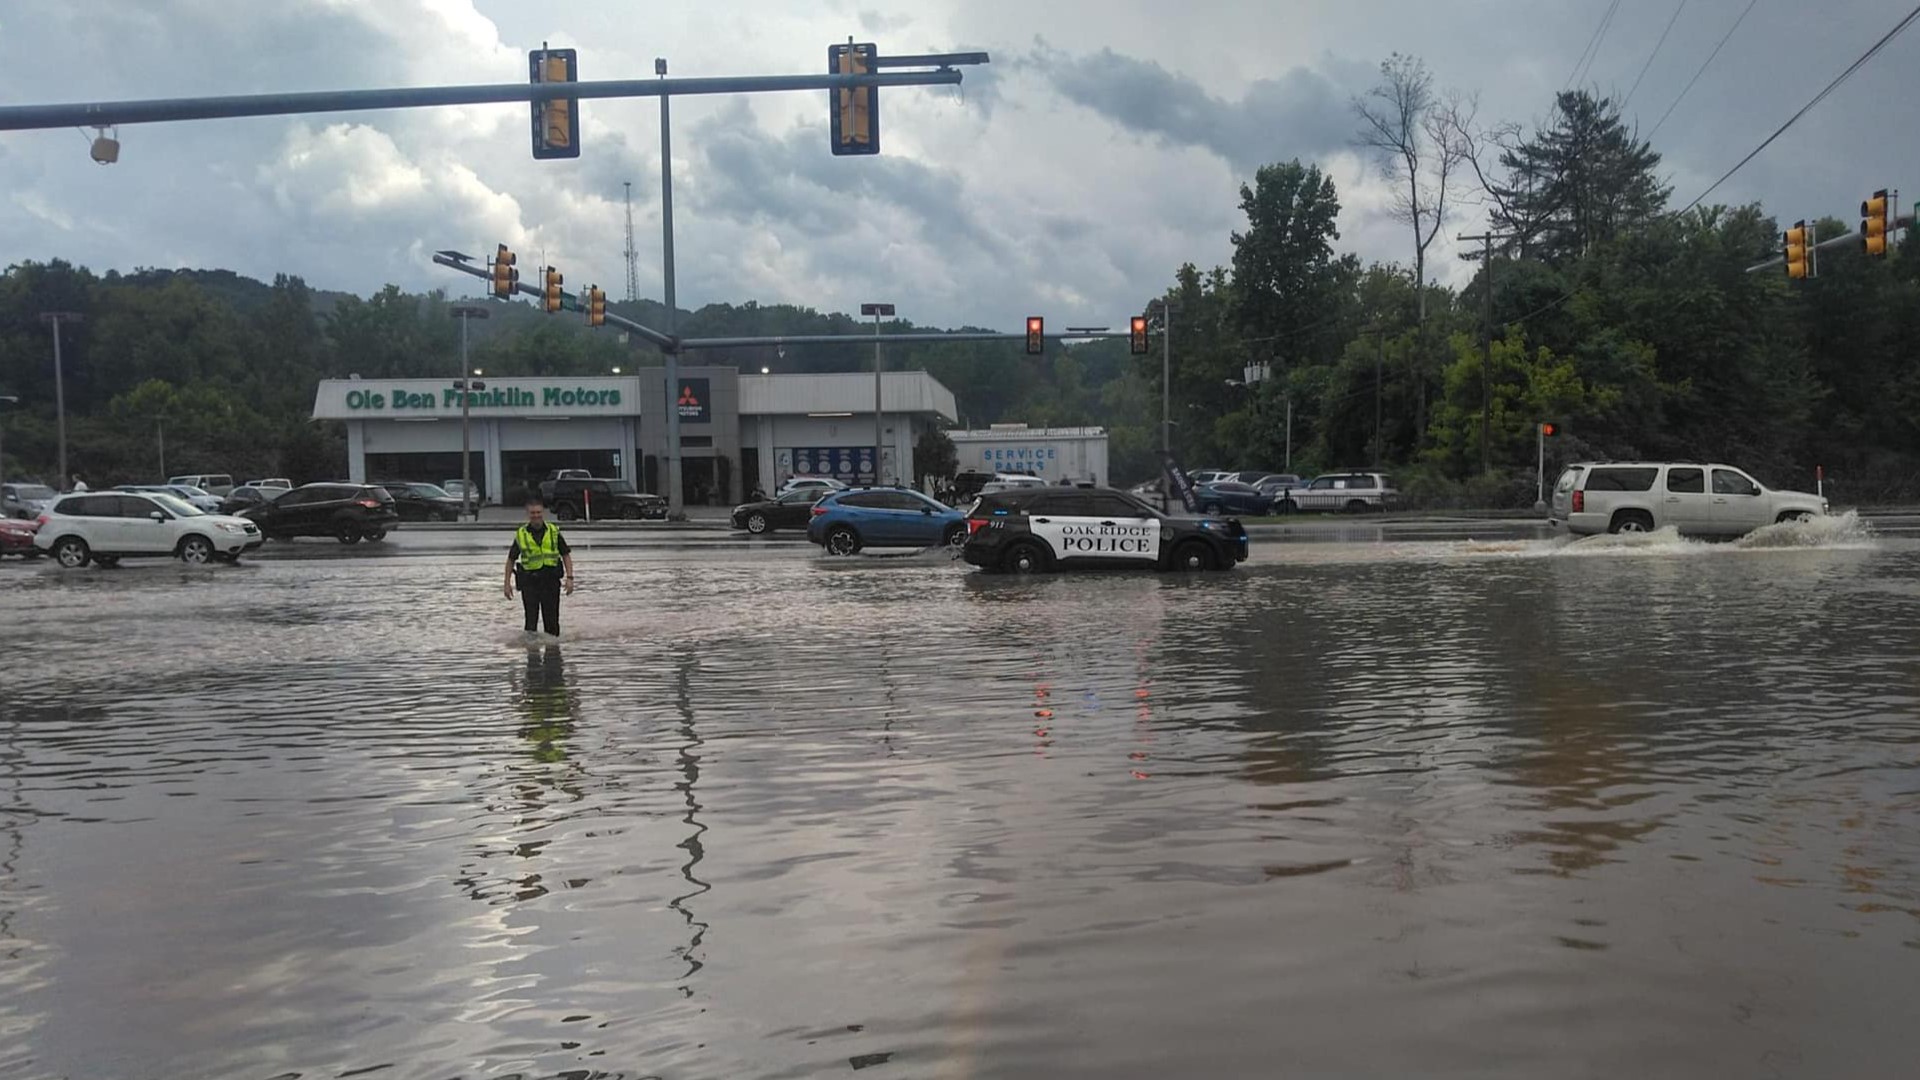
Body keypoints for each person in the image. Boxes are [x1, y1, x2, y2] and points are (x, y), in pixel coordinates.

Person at [503, 496, 574, 637]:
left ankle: (554, 655)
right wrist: (506, 584)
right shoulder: (521, 534)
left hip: (550, 582)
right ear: (528, 514)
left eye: (538, 512)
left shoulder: (553, 531)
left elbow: (566, 555)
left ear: (543, 513)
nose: (536, 516)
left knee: (552, 624)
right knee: (530, 623)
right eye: (533, 513)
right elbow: (510, 560)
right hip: (530, 584)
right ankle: (532, 656)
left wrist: (570, 578)